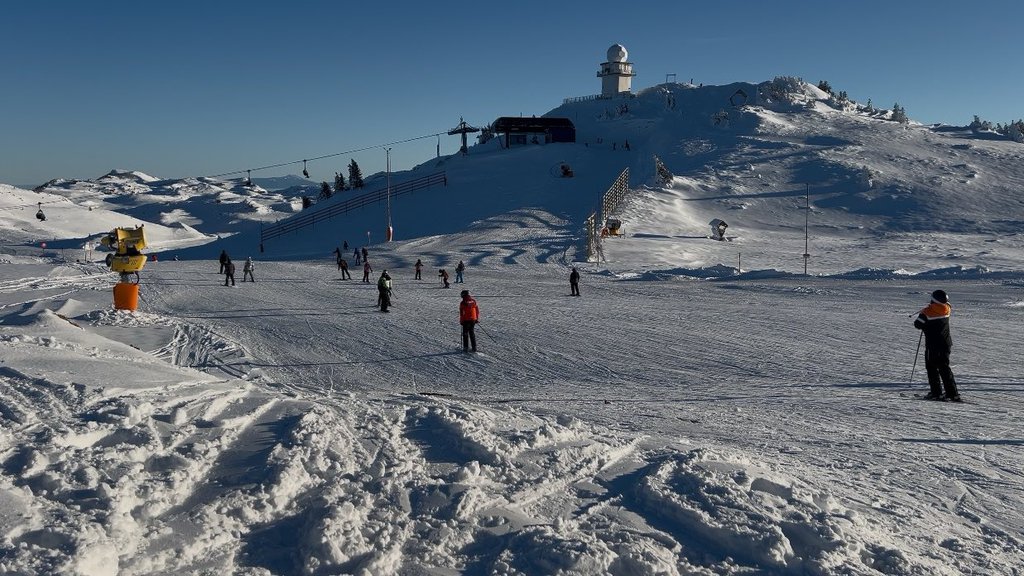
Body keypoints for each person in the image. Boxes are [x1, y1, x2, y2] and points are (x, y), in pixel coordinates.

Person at [914, 289, 961, 401]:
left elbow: (917, 324)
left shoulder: (927, 312)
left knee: (932, 368)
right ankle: (952, 393)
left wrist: (925, 310)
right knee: (945, 368)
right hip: (946, 343)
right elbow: (945, 305)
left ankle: (936, 393)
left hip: (933, 345)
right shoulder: (947, 308)